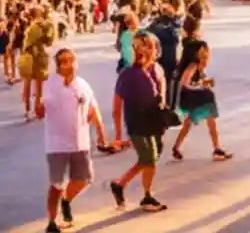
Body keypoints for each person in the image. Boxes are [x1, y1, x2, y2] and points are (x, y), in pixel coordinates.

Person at [37, 48, 108, 232]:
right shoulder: (50, 85)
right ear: (58, 65)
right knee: (56, 185)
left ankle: (66, 201)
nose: (70, 64)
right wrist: (38, 97)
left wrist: (101, 132)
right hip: (57, 145)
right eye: (64, 61)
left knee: (84, 179)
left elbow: (93, 108)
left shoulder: (83, 84)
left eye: (72, 59)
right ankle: (52, 222)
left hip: (80, 142)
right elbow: (40, 112)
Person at [109, 32, 170, 213]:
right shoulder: (128, 74)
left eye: (150, 46)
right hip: (137, 123)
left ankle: (120, 184)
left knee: (149, 158)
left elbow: (162, 95)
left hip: (155, 122)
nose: (147, 50)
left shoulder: (158, 69)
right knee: (149, 159)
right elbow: (117, 105)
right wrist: (119, 135)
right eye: (142, 46)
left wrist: (164, 120)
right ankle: (147, 196)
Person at [172, 39, 232, 162]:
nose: (206, 54)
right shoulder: (193, 65)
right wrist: (200, 86)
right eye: (202, 51)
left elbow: (197, 81)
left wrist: (205, 82)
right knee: (211, 122)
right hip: (197, 98)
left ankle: (176, 147)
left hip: (195, 98)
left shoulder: (198, 65)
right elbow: (185, 82)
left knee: (188, 123)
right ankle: (217, 148)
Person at [21, 5, 55, 121]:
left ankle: (34, 109)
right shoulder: (34, 25)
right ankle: (31, 109)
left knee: (35, 84)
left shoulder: (39, 25)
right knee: (31, 84)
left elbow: (48, 41)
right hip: (33, 56)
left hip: (35, 56)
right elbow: (48, 41)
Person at [147, 4, 182, 107]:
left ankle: (164, 104)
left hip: (161, 58)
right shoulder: (174, 27)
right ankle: (168, 105)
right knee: (168, 82)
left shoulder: (156, 27)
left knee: (161, 82)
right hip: (169, 58)